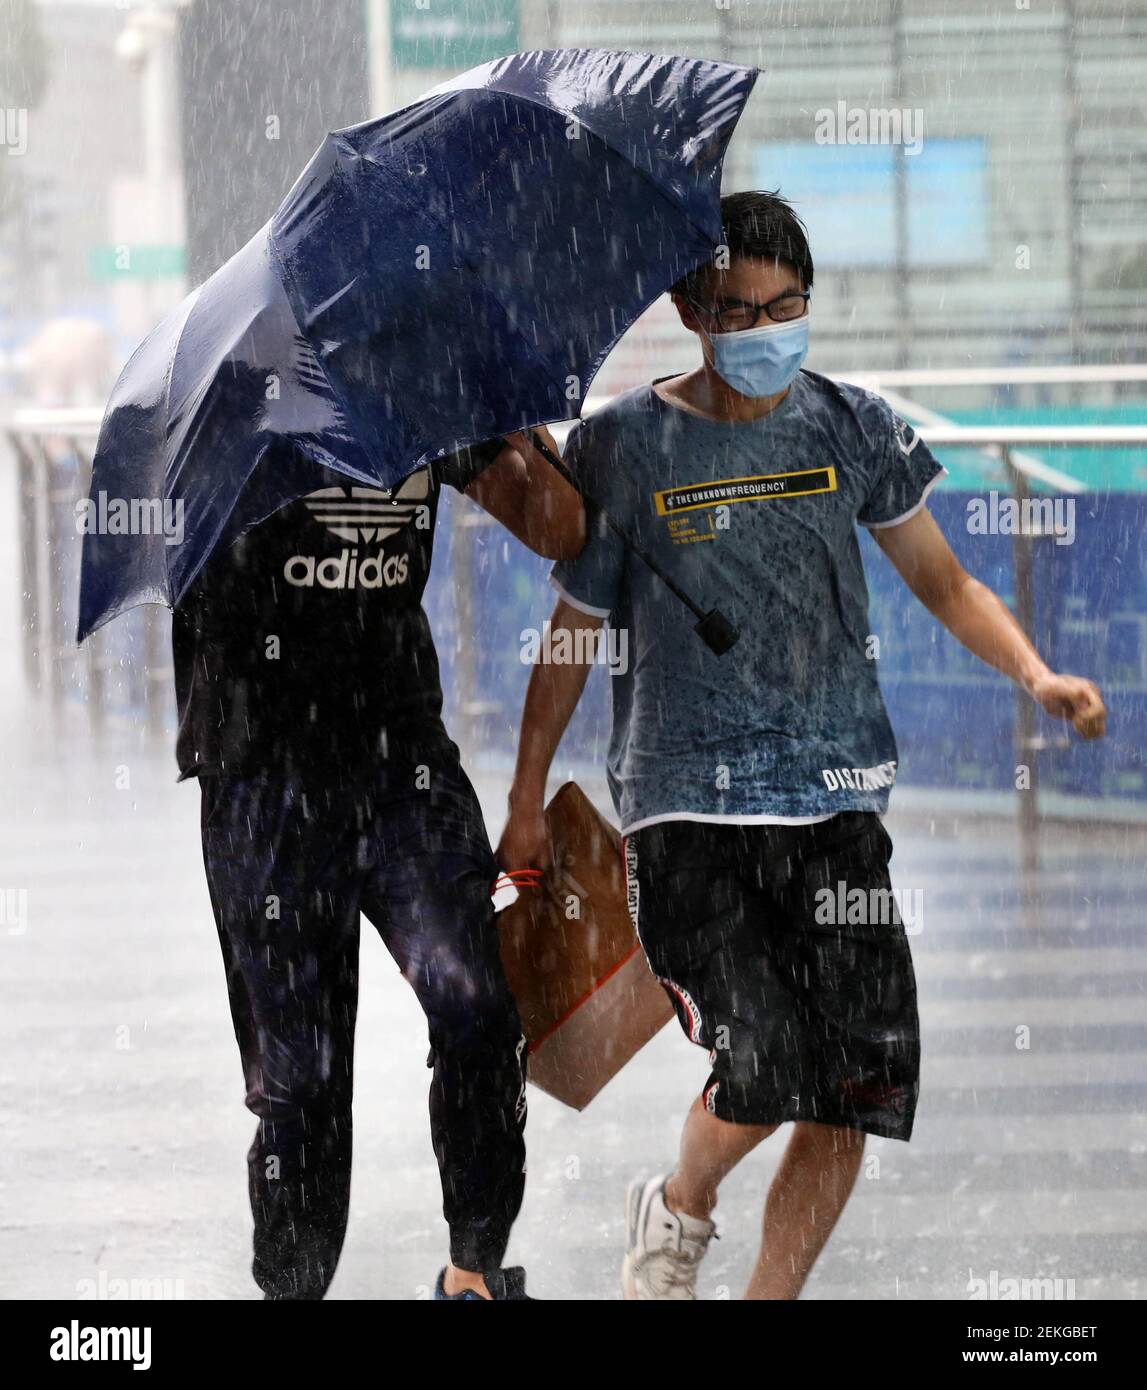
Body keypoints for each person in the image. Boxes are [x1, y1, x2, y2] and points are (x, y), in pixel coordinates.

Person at [496, 190, 1107, 1301]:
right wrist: (528, 791)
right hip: (688, 815)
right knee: (768, 1063)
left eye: (787, 305)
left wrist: (1034, 672)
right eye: (738, 309)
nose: (765, 329)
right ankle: (677, 1207)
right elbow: (573, 629)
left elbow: (945, 578)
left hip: (834, 806)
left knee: (857, 1086)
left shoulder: (849, 423)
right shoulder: (619, 448)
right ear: (690, 308)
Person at [174, 429, 583, 1300]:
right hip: (262, 777)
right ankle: (292, 1287)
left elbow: (559, 529)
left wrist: (505, 417)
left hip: (404, 766)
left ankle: (475, 1271)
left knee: (475, 1004)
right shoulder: (233, 403)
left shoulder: (413, 380)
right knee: (299, 1083)